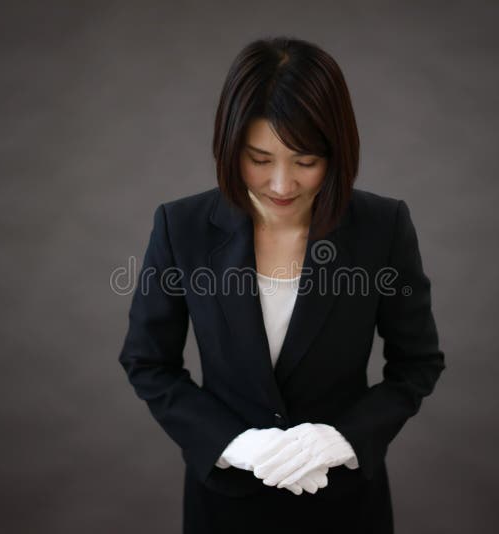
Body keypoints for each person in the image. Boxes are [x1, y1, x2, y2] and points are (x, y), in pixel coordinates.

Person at [118, 36, 446, 534]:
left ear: (337, 151)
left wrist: (346, 438)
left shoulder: (383, 227)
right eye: (259, 159)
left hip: (345, 506)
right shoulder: (179, 226)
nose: (281, 185)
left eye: (306, 161)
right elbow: (147, 362)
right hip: (224, 507)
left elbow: (417, 364)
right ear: (229, 147)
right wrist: (231, 443)